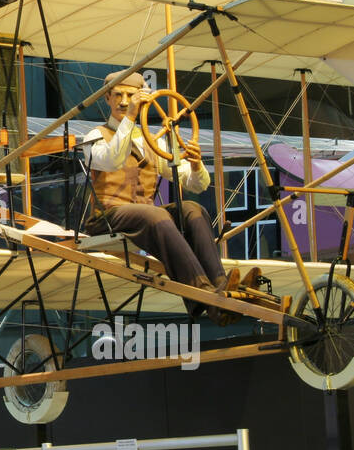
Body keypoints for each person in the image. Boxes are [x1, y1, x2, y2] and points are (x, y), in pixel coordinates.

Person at [79, 71, 257, 322]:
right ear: (107, 97)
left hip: (146, 216)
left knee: (193, 209)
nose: (124, 101)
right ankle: (205, 295)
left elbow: (195, 185)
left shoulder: (152, 140)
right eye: (118, 95)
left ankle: (221, 284)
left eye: (131, 96)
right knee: (155, 214)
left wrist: (196, 165)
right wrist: (131, 116)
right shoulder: (94, 137)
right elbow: (112, 160)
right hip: (106, 217)